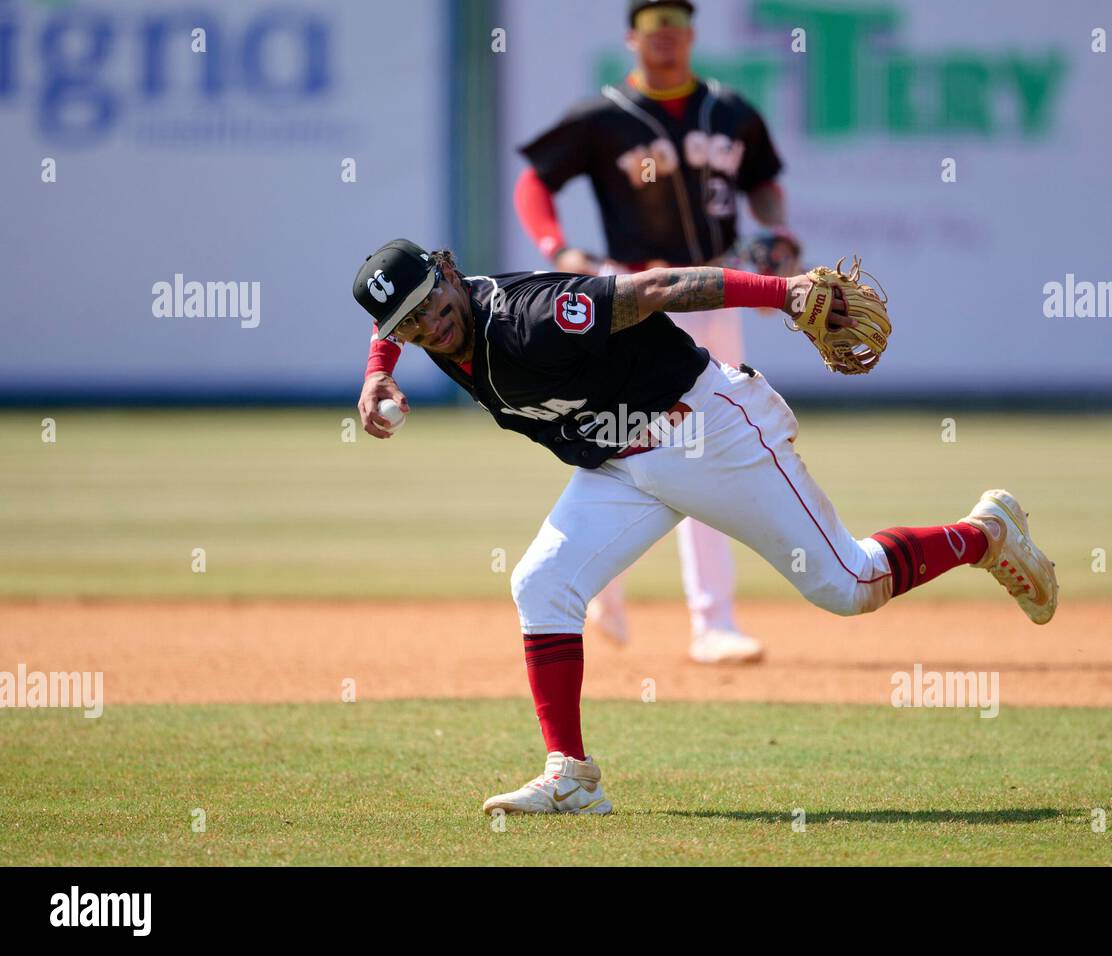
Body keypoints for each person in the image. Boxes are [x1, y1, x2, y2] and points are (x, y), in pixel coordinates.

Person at [352, 238, 1059, 816]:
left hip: (705, 430)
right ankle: (570, 776)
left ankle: (985, 533)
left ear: (449, 270)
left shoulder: (530, 317)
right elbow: (394, 317)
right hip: (618, 464)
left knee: (851, 585)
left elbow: (659, 289)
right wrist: (377, 372)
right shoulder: (437, 317)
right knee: (542, 584)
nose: (428, 327)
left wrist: (781, 293)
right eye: (409, 325)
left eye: (431, 305)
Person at [512, 0, 800, 664]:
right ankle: (605, 591)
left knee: (706, 448)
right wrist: (559, 249)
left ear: (691, 35)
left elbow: (764, 186)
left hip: (713, 290)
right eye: (651, 28)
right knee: (623, 443)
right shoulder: (603, 116)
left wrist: (778, 233)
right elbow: (535, 182)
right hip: (630, 297)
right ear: (631, 39)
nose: (664, 38)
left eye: (674, 26)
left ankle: (711, 620)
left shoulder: (729, 111)